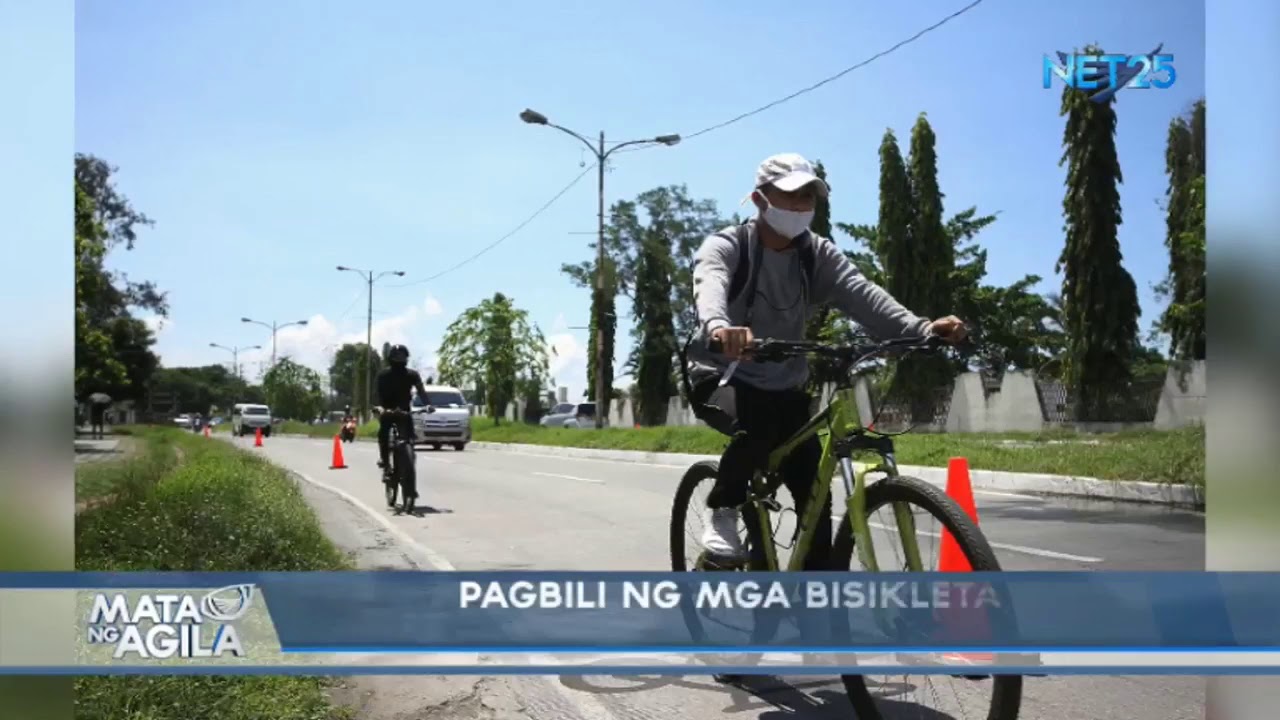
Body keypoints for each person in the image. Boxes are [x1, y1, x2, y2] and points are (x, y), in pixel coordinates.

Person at [685, 152, 968, 568]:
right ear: (760, 200)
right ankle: (723, 511)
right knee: (757, 429)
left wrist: (922, 329)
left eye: (808, 197)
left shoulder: (816, 254)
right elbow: (710, 282)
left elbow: (863, 295)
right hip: (724, 373)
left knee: (813, 488)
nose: (801, 206)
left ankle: (815, 601)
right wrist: (719, 327)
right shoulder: (730, 245)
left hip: (784, 379)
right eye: (790, 196)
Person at [374, 344, 427, 487]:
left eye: (402, 356)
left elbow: (421, 390)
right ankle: (386, 465)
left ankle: (409, 475)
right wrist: (380, 408)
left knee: (410, 439)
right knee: (383, 434)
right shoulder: (383, 375)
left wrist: (428, 404)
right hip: (387, 411)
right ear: (391, 358)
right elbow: (377, 394)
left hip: (404, 411)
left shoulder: (412, 374)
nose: (400, 359)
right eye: (397, 356)